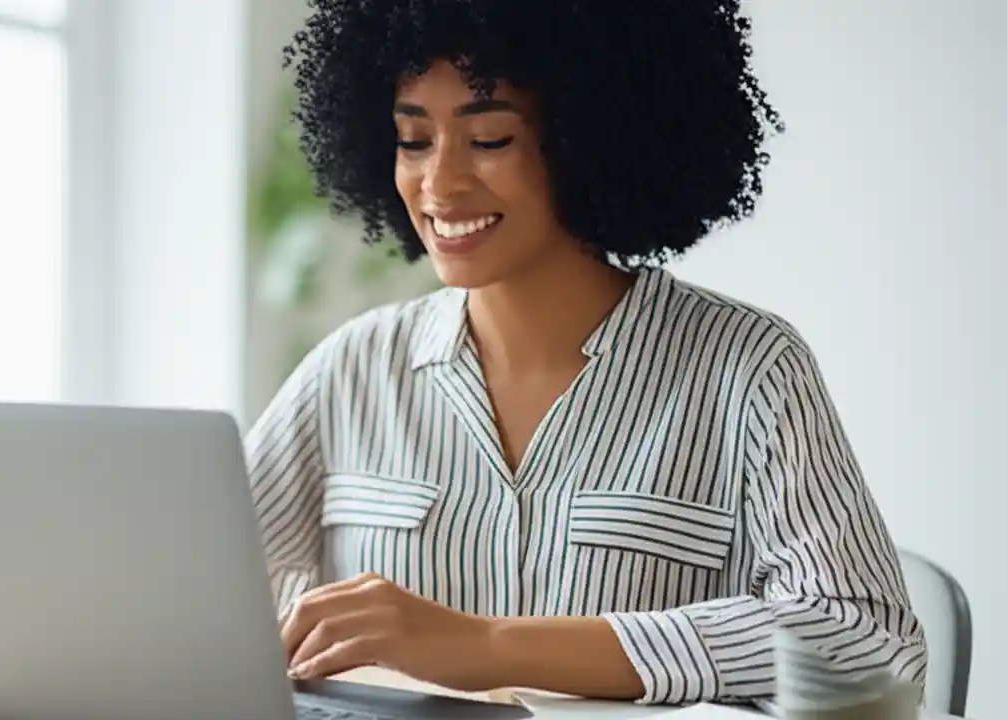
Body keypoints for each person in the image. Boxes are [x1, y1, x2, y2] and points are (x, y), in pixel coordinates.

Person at [246, 0, 926, 705]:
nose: (440, 183)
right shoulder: (353, 368)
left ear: (590, 140)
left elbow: (865, 639)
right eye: (413, 140)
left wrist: (485, 647)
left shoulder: (748, 368)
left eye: (490, 140)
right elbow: (201, 589)